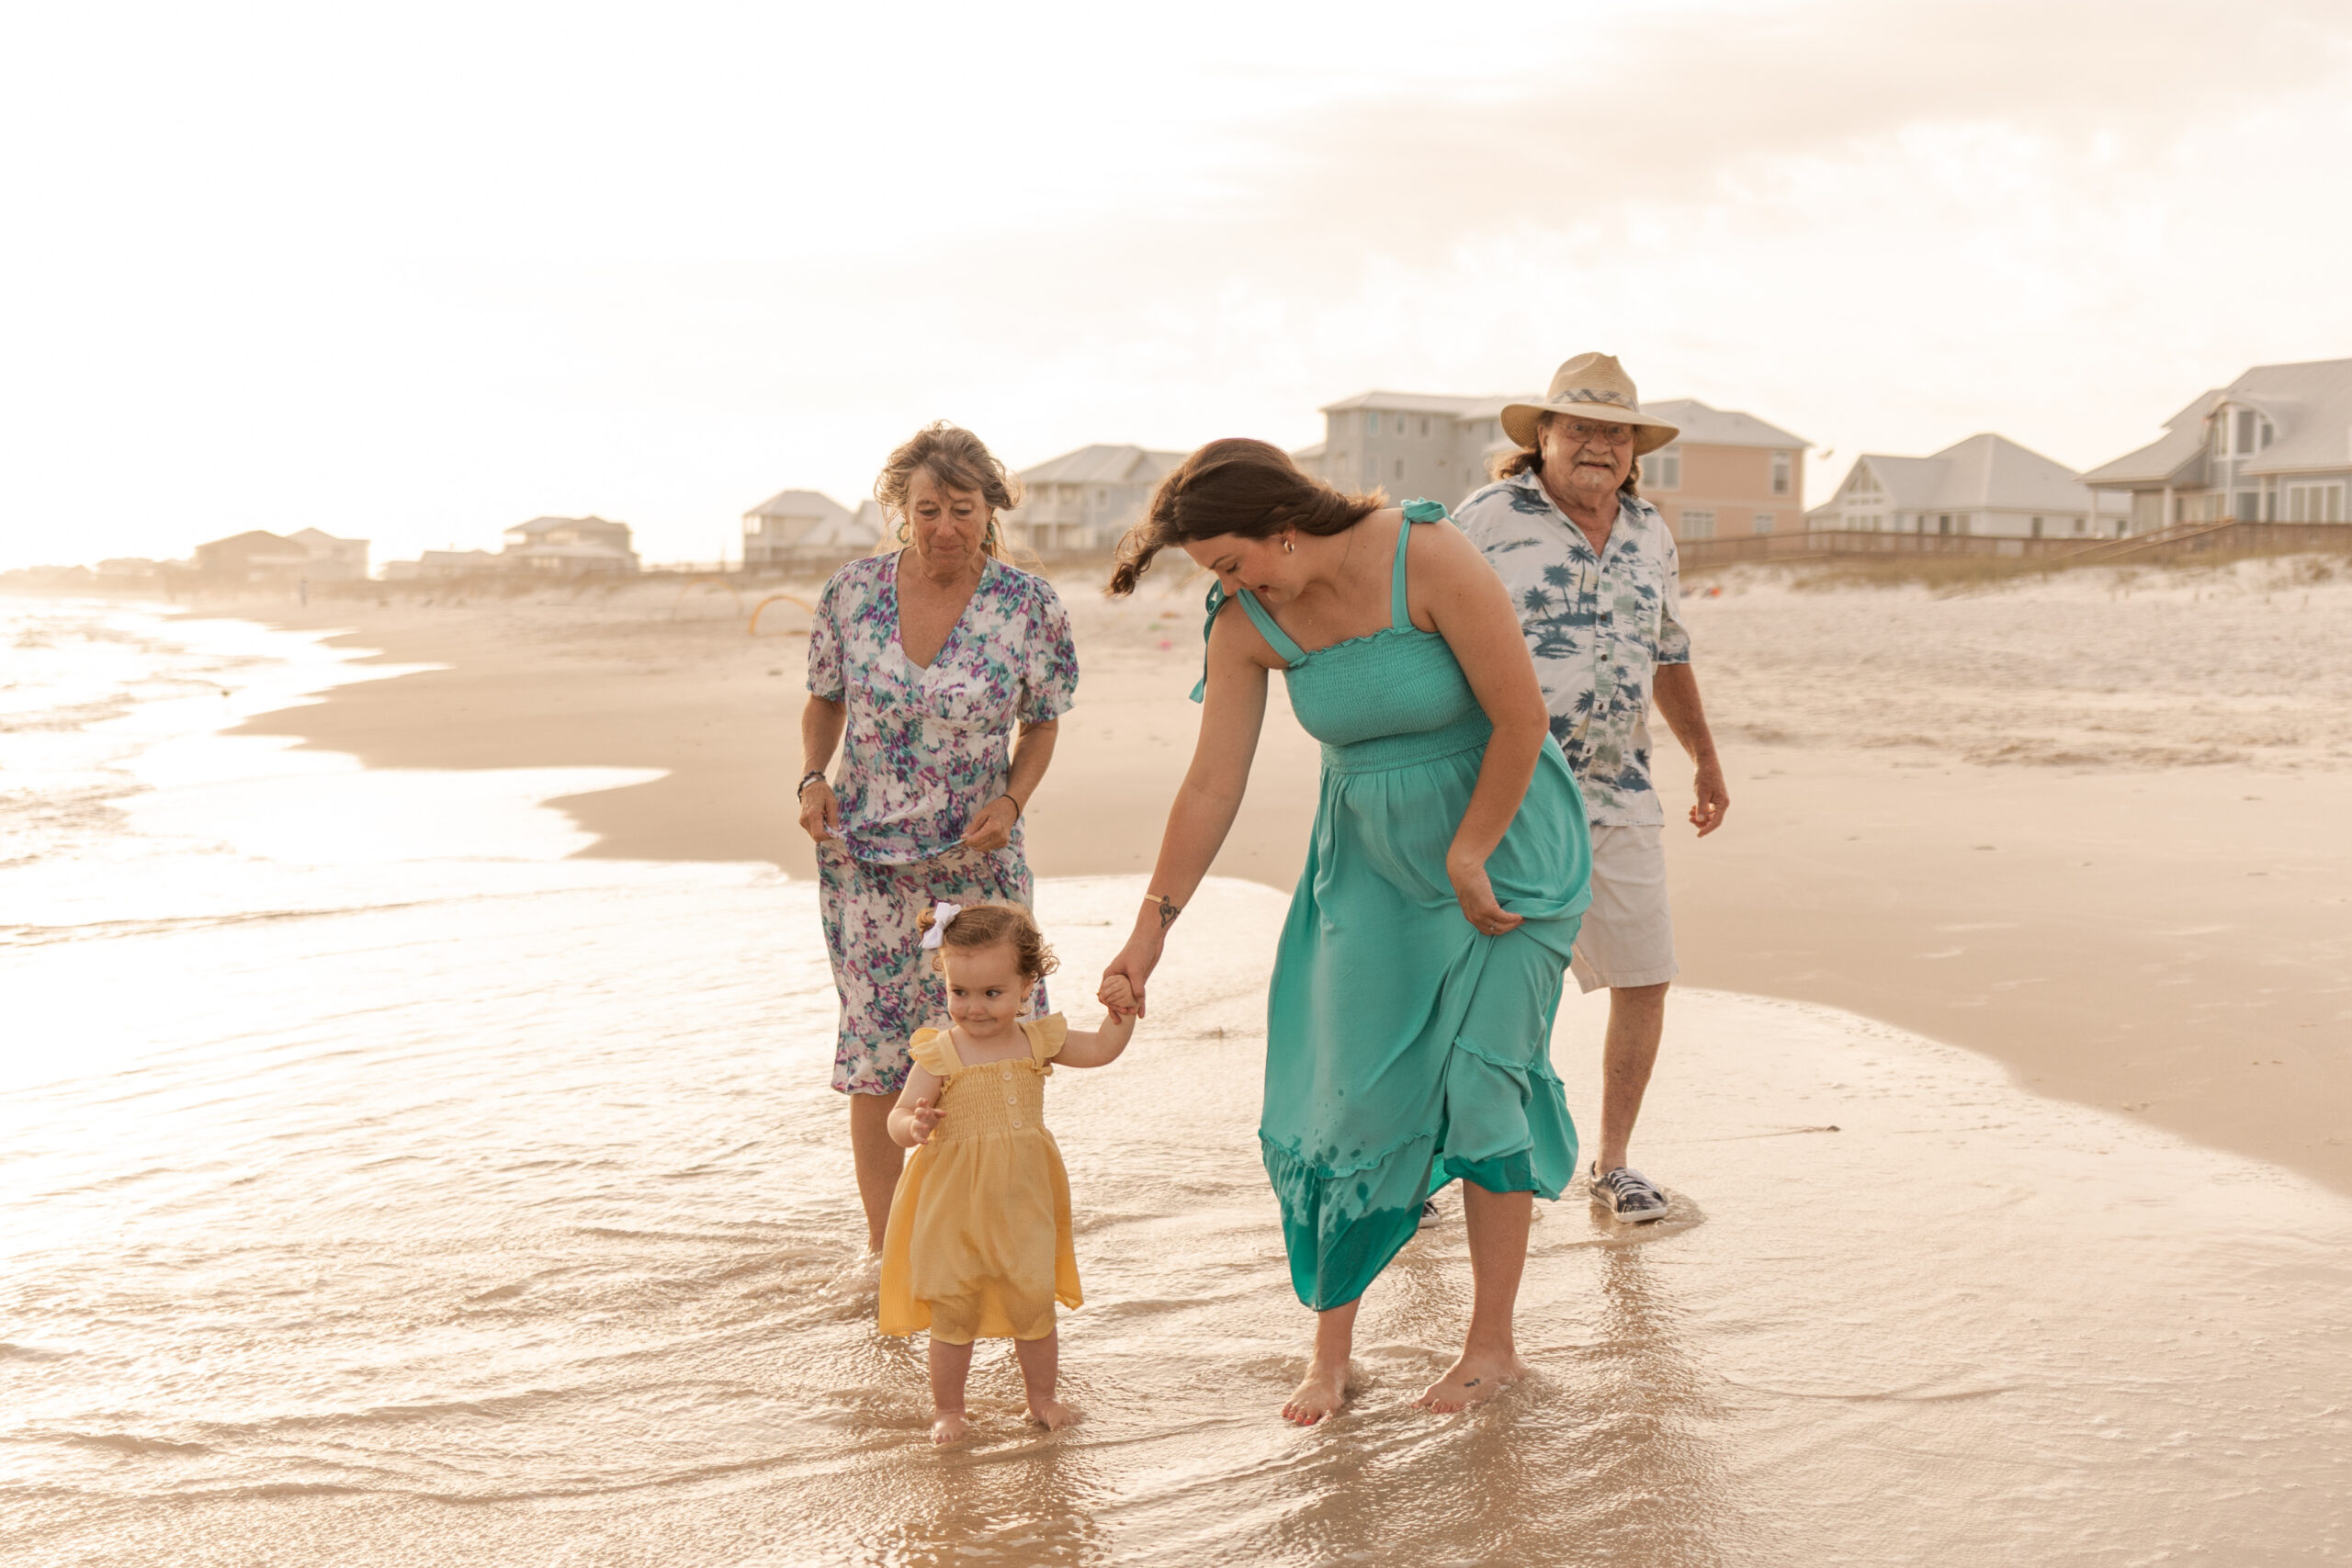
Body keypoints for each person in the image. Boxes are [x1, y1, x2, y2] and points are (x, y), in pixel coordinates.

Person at [1099, 440, 1591, 1425]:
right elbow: (1211, 783)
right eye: (1214, 577)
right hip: (1366, 871)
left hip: (1505, 852)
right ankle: (1332, 1355)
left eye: (1233, 564)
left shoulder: (1425, 553)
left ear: (1284, 526)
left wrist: (1469, 852)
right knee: (1350, 1104)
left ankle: (1491, 1349)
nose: (1230, 588)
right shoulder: (1246, 620)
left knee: (1484, 1084)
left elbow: (1520, 717)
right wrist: (1147, 932)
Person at [1453, 353, 1730, 1224]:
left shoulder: (1651, 530)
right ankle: (1444, 1164)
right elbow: (1422, 629)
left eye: (1615, 432)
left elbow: (1670, 653)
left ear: (1634, 448)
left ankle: (1612, 1164)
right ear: (1543, 436)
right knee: (1483, 985)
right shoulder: (1486, 519)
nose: (1598, 446)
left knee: (1645, 973)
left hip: (1621, 790)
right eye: (1580, 428)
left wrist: (1705, 757)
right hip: (1508, 793)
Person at [798, 423, 1080, 1258]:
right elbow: (824, 698)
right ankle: (892, 1255)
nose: (944, 526)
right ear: (900, 509)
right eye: (927, 508)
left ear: (990, 508)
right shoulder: (851, 592)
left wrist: (1012, 796)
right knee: (879, 1055)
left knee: (991, 1047)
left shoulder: (1029, 606)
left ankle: (993, 1239)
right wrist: (813, 776)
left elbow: (1042, 723)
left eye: (963, 508)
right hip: (864, 865)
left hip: (977, 867)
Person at [878, 902, 1137, 1443]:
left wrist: (1123, 1014)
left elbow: (1103, 1050)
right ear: (944, 983)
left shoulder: (1038, 1039)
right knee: (953, 1309)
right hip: (953, 1207)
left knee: (1033, 1300)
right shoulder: (940, 1052)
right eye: (959, 993)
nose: (973, 1008)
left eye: (992, 993)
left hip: (1023, 1200)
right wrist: (916, 1126)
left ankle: (1041, 1398)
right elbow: (897, 1117)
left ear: (1027, 985)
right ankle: (949, 1409)